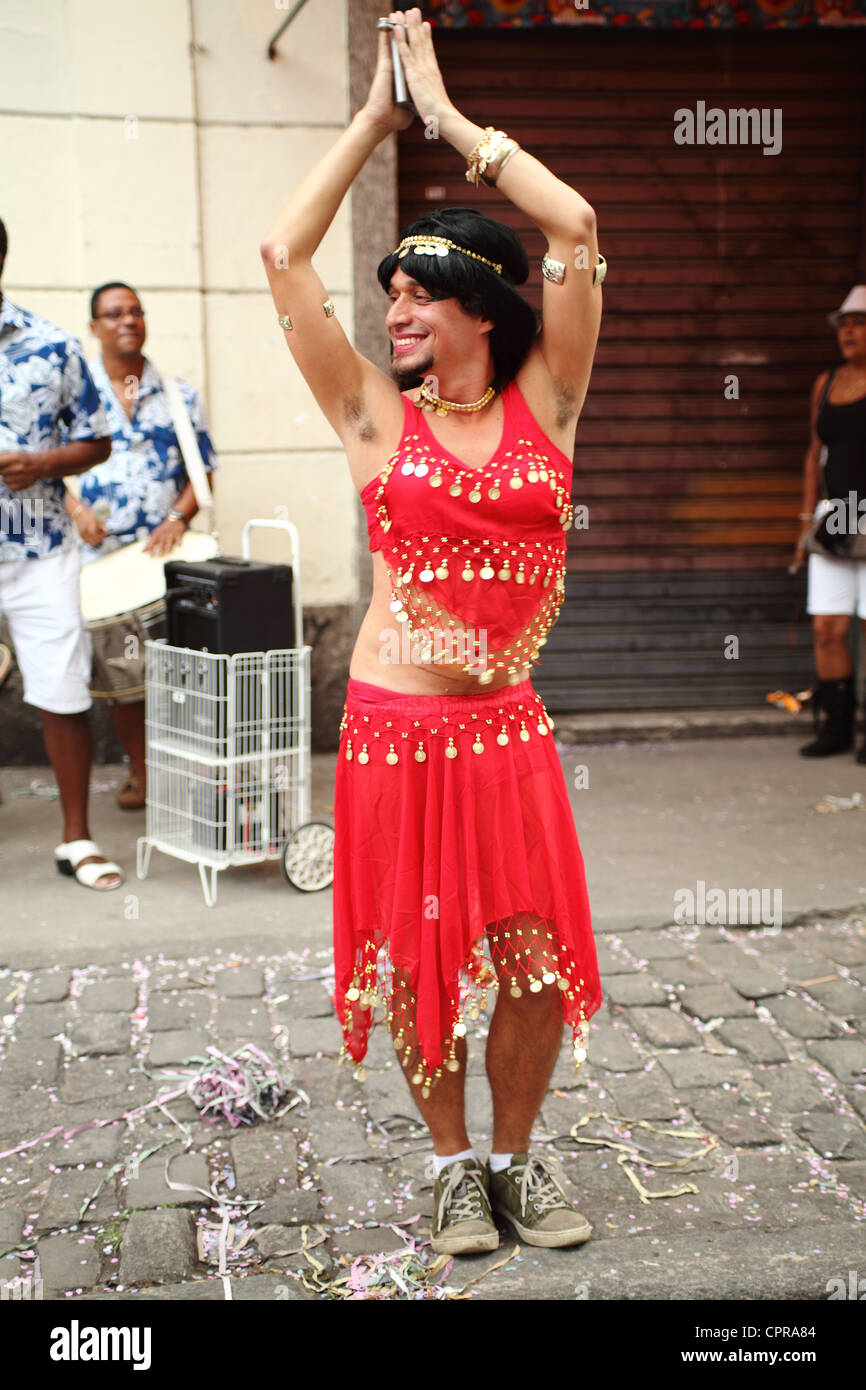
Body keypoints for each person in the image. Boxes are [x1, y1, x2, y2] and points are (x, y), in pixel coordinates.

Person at [262, 10, 603, 1256]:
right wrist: (373, 117)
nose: (394, 312)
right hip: (394, 731)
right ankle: (453, 1166)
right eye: (390, 294)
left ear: (475, 306)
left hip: (503, 725)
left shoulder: (548, 402)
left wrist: (453, 123)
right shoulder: (368, 415)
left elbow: (570, 229)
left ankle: (514, 1159)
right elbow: (281, 255)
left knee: (526, 959)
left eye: (416, 294)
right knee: (415, 959)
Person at [0, 215, 122, 890]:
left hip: (40, 548)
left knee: (64, 691)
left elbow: (98, 439)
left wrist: (42, 463)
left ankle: (76, 838)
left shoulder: (51, 346)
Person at [64, 281, 219, 809]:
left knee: (184, 666)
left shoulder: (179, 395)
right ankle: (142, 770)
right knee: (122, 675)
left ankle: (194, 769)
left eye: (136, 312)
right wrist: (77, 512)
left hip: (164, 558)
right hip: (100, 562)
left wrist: (178, 516)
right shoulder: (74, 397)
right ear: (94, 327)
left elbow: (203, 474)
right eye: (114, 314)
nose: (127, 320)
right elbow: (49, 474)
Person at [794, 285, 866, 762]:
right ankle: (837, 727)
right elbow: (813, 454)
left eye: (859, 323)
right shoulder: (827, 383)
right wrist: (804, 523)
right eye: (844, 324)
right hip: (834, 516)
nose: (849, 332)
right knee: (827, 628)